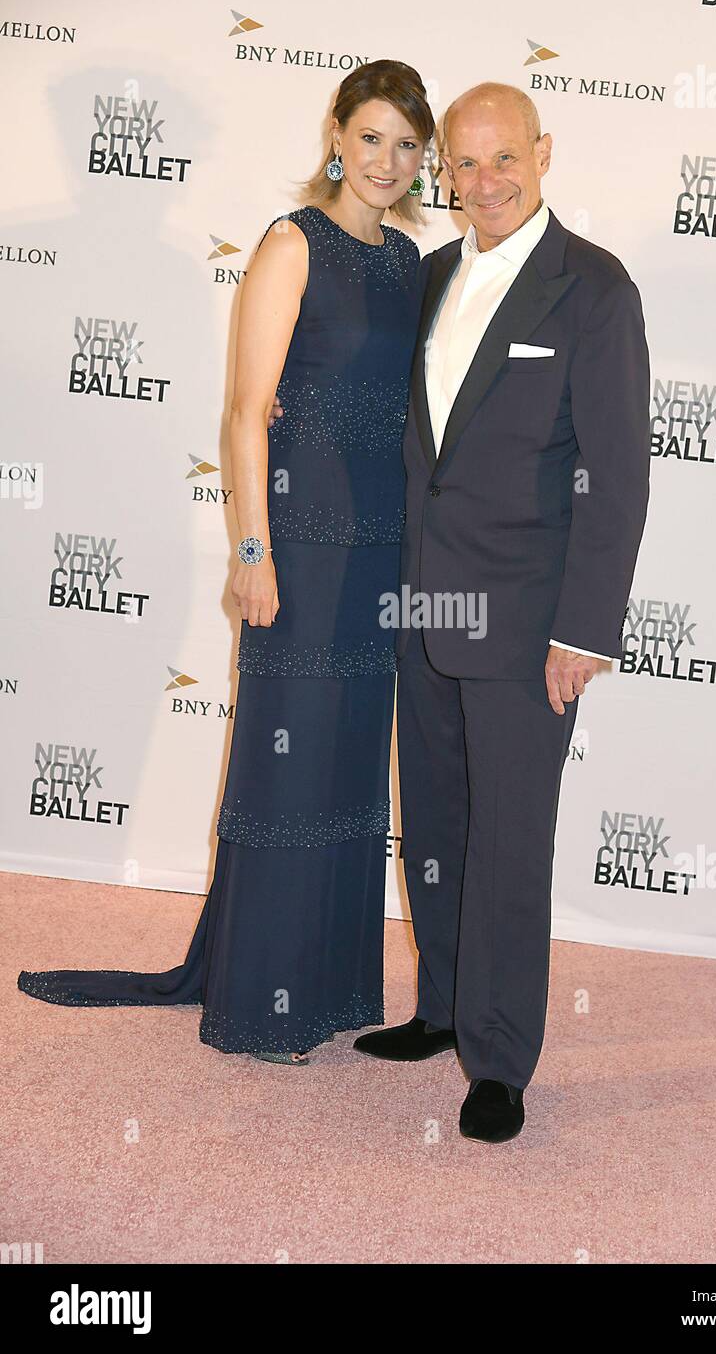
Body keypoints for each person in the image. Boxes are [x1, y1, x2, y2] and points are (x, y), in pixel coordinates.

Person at [18, 60, 435, 1065]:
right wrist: (252, 550)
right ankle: (262, 1000)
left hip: (380, 546)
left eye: (405, 145)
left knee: (344, 768)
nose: (385, 161)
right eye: (369, 137)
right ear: (334, 134)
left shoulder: (412, 262)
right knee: (286, 762)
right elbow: (247, 411)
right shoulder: (292, 245)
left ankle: (331, 989)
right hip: (298, 540)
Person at [353, 83, 651, 1141]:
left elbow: (616, 477)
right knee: (434, 820)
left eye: (502, 161)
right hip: (426, 598)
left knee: (511, 839)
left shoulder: (594, 289)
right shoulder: (431, 275)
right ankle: (439, 1007)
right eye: (462, 166)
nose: (481, 183)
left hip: (527, 621)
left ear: (542, 154)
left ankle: (499, 1057)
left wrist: (582, 629)